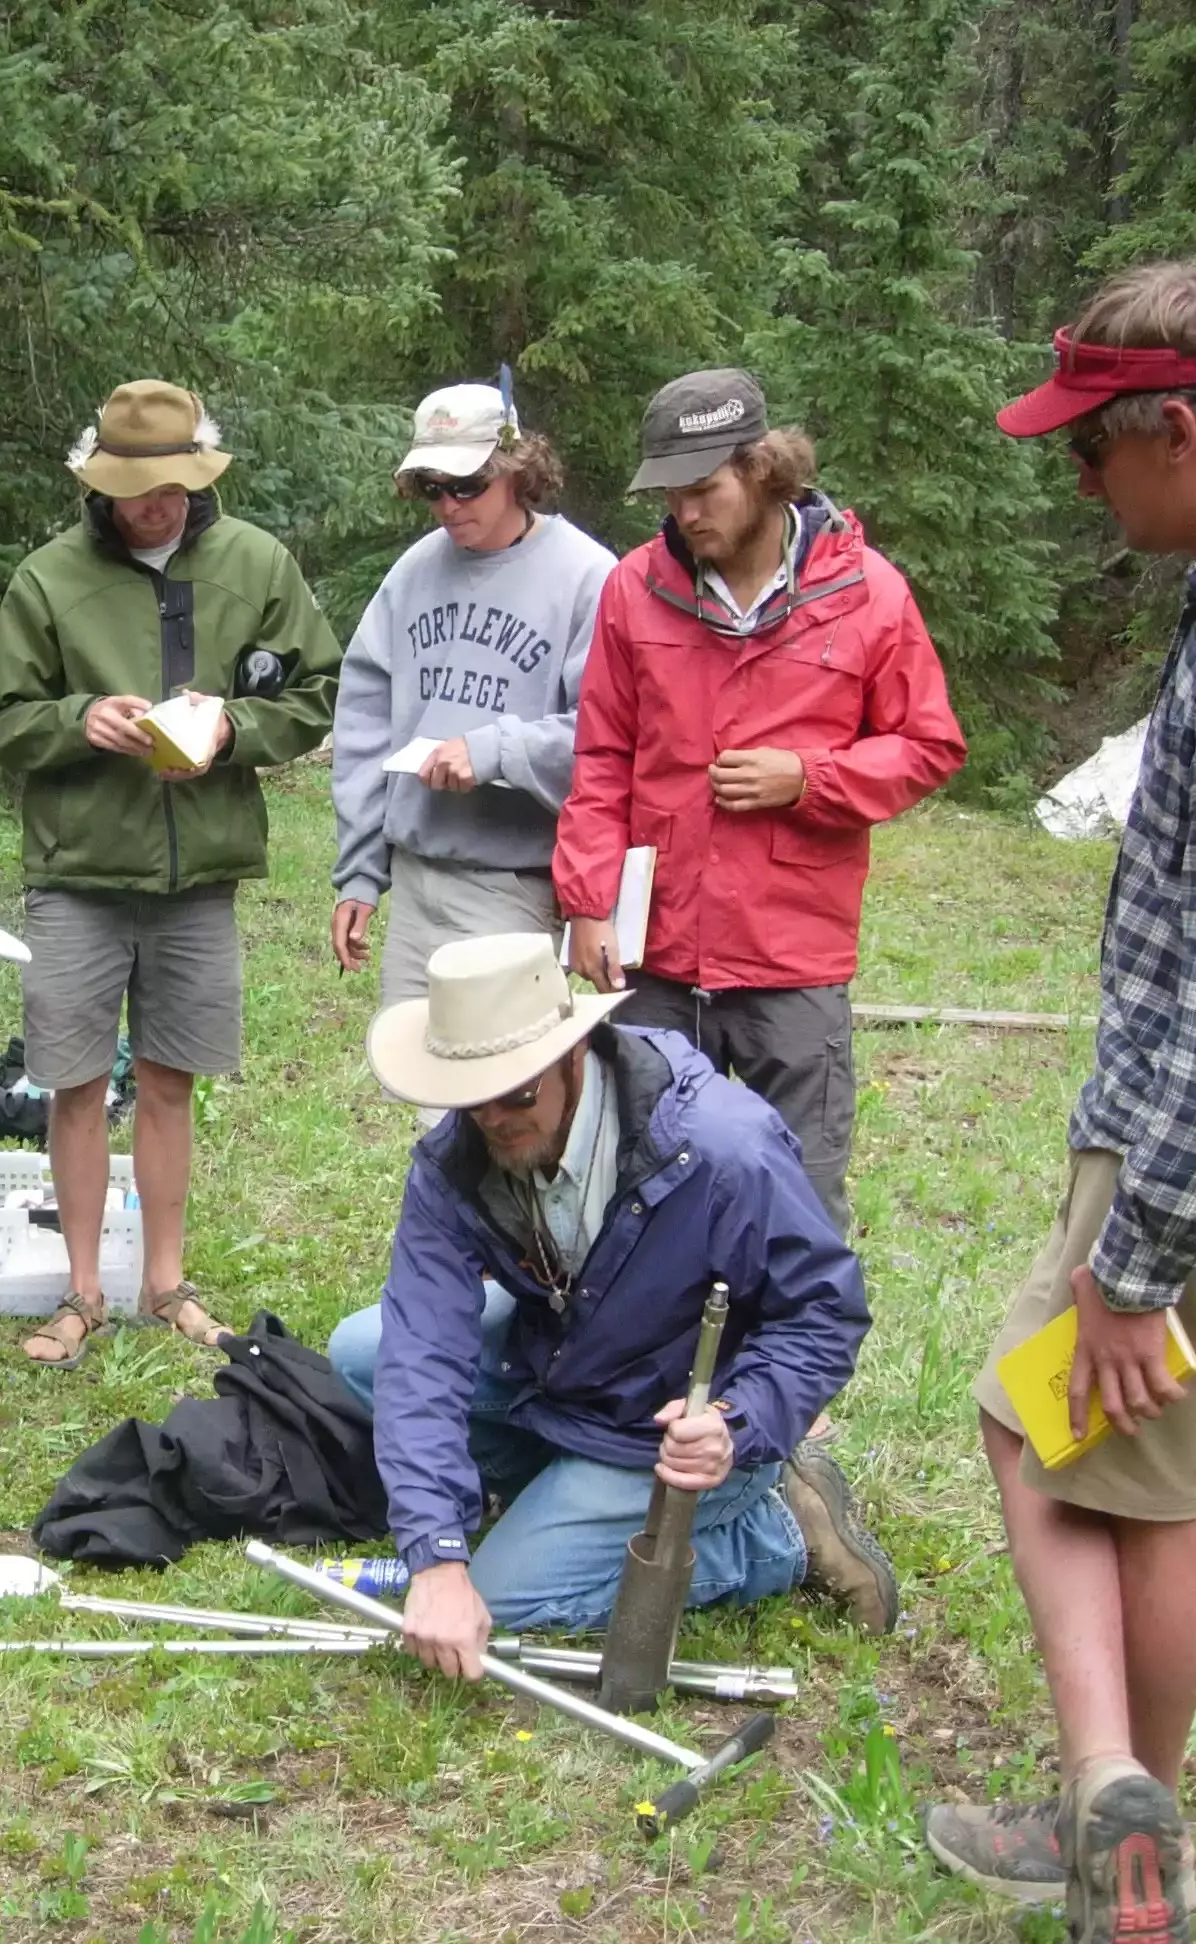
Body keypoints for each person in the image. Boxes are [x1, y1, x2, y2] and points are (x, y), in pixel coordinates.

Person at [924, 263, 1196, 1944]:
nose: (1081, 487)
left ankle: (1111, 1793)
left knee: (1041, 1416)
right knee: (1148, 1464)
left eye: (1092, 454)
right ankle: (1126, 1806)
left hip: (1164, 1152)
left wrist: (1135, 1253)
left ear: (1172, 426)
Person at [328, 932, 896, 1664]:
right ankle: (557, 1486)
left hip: (672, 1430)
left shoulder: (722, 1147)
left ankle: (773, 1531)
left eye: (518, 1093)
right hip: (568, 1368)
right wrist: (435, 1557)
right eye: (469, 1100)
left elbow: (823, 1315)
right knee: (363, 1350)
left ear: (574, 1053)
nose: (494, 1119)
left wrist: (738, 1421)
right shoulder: (453, 1159)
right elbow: (421, 1350)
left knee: (502, 1598)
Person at [0, 380, 342, 1367]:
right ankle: (82, 1294)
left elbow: (318, 690)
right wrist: (71, 720)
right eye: (138, 489)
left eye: (175, 486)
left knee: (171, 1082)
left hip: (198, 876)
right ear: (102, 483)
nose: (158, 506)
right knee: (75, 1083)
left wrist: (237, 727)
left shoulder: (256, 563)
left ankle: (166, 1284)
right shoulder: (48, 578)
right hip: (80, 874)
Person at [554, 370, 966, 1236]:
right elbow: (603, 758)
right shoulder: (636, 588)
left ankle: (782, 1369)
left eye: (704, 489)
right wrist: (587, 904)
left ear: (763, 471)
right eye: (671, 494)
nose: (686, 513)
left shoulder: (866, 592)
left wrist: (809, 779)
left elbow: (928, 746)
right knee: (644, 1185)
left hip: (793, 954)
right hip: (657, 952)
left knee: (801, 1199)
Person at [330, 382, 613, 1015]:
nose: (449, 506)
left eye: (467, 485)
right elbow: (363, 725)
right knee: (416, 1083)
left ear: (517, 470)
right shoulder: (413, 573)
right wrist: (360, 873)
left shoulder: (588, 577)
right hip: (415, 877)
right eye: (433, 489)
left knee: (503, 1096)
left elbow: (610, 739)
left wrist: (493, 752)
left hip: (514, 886)